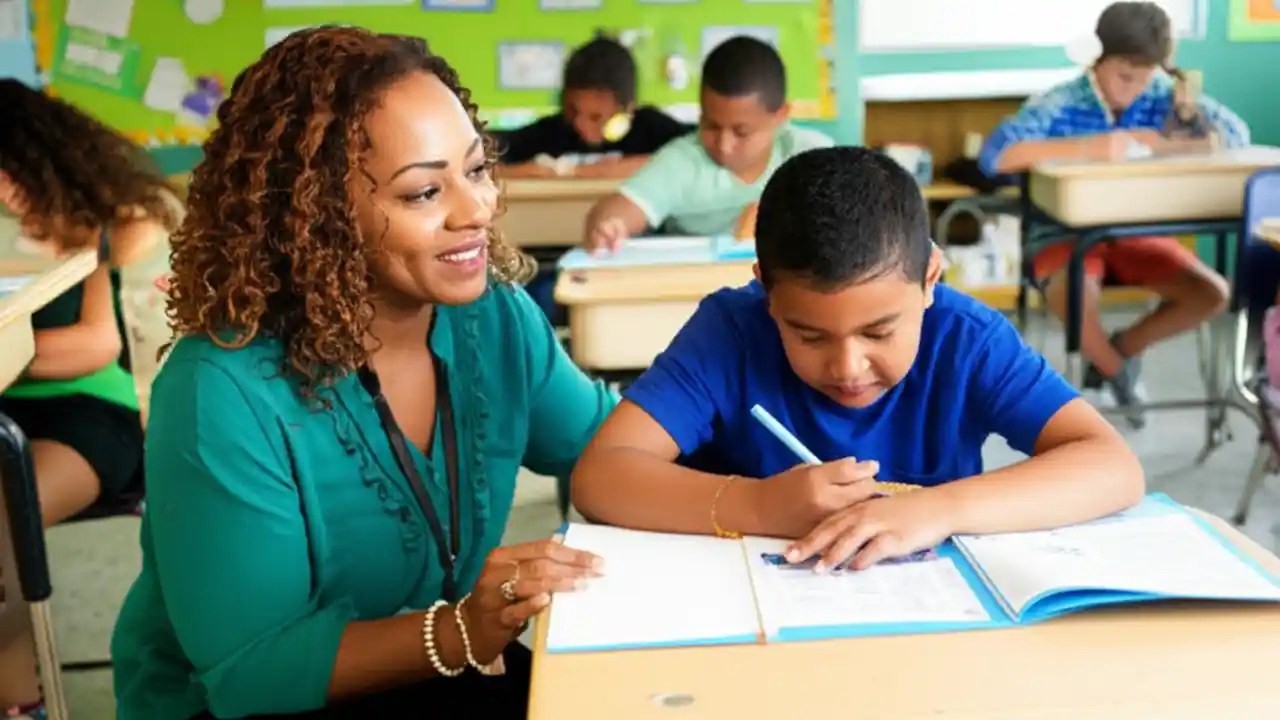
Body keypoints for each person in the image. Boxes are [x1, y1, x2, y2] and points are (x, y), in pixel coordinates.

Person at [110, 27, 615, 720]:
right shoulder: (219, 391)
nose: (477, 210)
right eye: (422, 193)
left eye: (475, 170)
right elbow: (251, 672)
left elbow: (608, 451)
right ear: (316, 215)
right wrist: (464, 629)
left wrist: (756, 474)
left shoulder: (493, 318)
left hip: (443, 662)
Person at [572, 146, 1144, 571]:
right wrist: (759, 504)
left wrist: (937, 510)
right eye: (810, 336)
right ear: (766, 292)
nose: (848, 367)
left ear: (930, 279)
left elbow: (1111, 466)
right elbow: (601, 477)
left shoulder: (967, 338)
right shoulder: (731, 334)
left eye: (879, 332)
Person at [0, 78, 179, 720]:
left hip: (88, 415)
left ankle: (20, 698)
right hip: (12, 407)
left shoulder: (85, 224)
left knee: (3, 526)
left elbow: (96, 344)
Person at [978, 1, 1243, 428]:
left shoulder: (1162, 96)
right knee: (1079, 289)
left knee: (1212, 293)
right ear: (1099, 58)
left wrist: (1180, 129)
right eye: (1124, 76)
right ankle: (1115, 372)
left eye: (1144, 77)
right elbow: (997, 156)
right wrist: (1093, 146)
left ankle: (1114, 354)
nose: (1134, 88)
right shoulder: (1061, 102)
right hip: (1062, 236)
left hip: (1136, 232)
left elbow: (1236, 134)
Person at [583, 36, 832, 250]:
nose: (723, 145)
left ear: (780, 115)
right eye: (711, 125)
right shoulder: (681, 161)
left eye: (741, 132)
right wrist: (609, 225)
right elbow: (618, 209)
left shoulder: (810, 156)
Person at [493, 35, 688, 179]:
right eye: (573, 110)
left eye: (596, 117)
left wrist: (570, 171)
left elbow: (694, 156)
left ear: (627, 109)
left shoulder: (651, 128)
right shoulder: (550, 132)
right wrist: (522, 172)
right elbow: (484, 154)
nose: (581, 125)